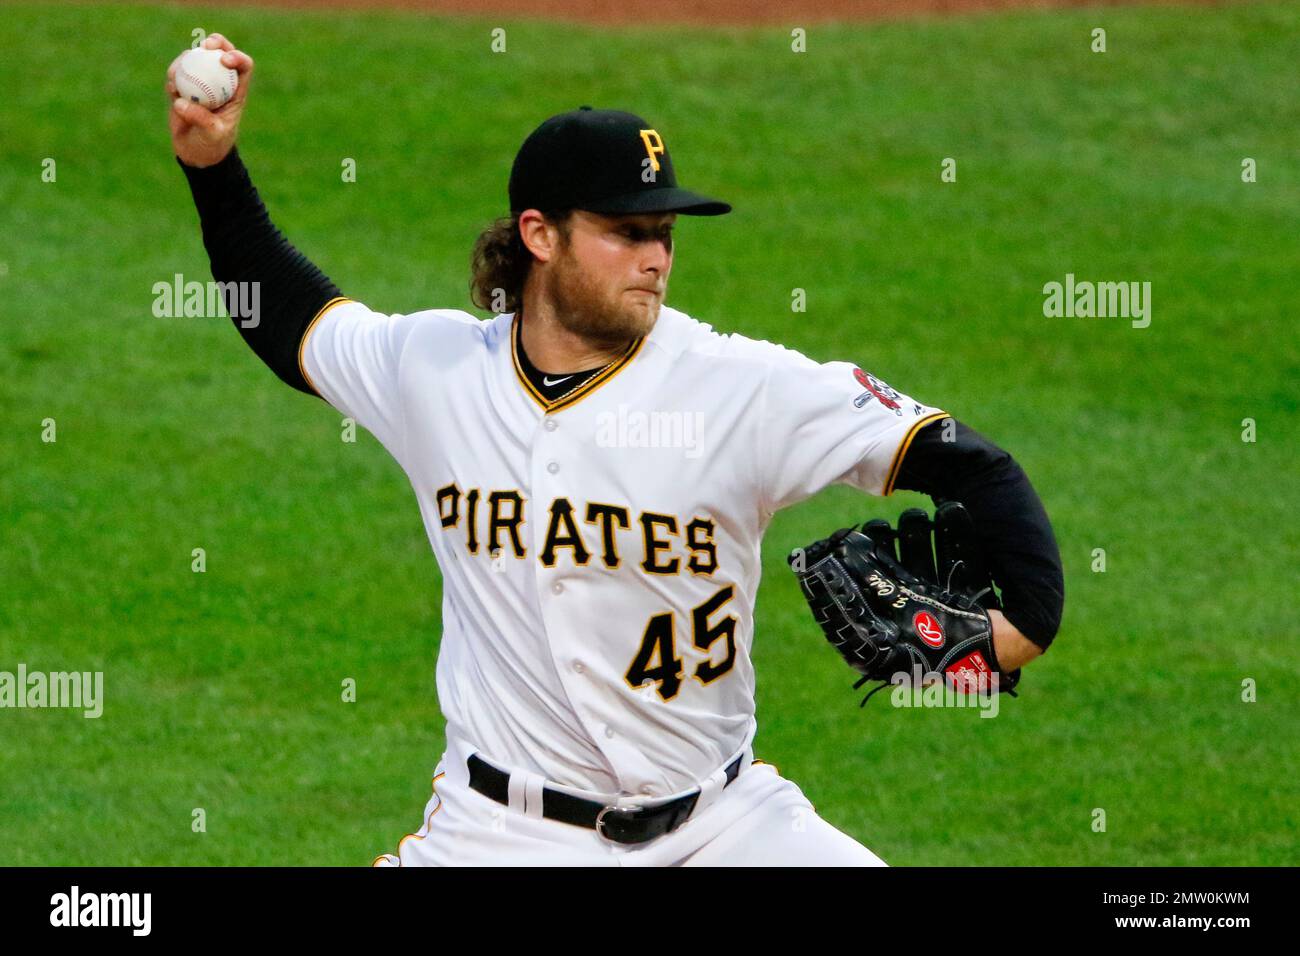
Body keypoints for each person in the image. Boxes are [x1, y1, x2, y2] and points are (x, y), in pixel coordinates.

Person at [168, 34, 1064, 867]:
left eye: (664, 233)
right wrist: (211, 166)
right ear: (539, 235)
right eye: (626, 231)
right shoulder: (435, 369)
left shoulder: (740, 385)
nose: (655, 257)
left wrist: (1018, 631)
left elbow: (968, 461)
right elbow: (288, 318)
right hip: (501, 835)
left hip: (725, 825)